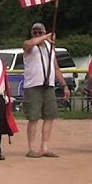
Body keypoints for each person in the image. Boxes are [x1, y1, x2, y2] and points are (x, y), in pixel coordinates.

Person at [22, 22, 70, 158]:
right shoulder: (29, 46)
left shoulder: (50, 47)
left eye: (40, 32)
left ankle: (44, 147)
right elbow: (29, 44)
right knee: (33, 117)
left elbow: (55, 68)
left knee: (49, 116)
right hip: (33, 85)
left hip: (48, 85)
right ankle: (31, 147)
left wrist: (64, 85)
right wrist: (47, 36)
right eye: (35, 32)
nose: (37, 35)